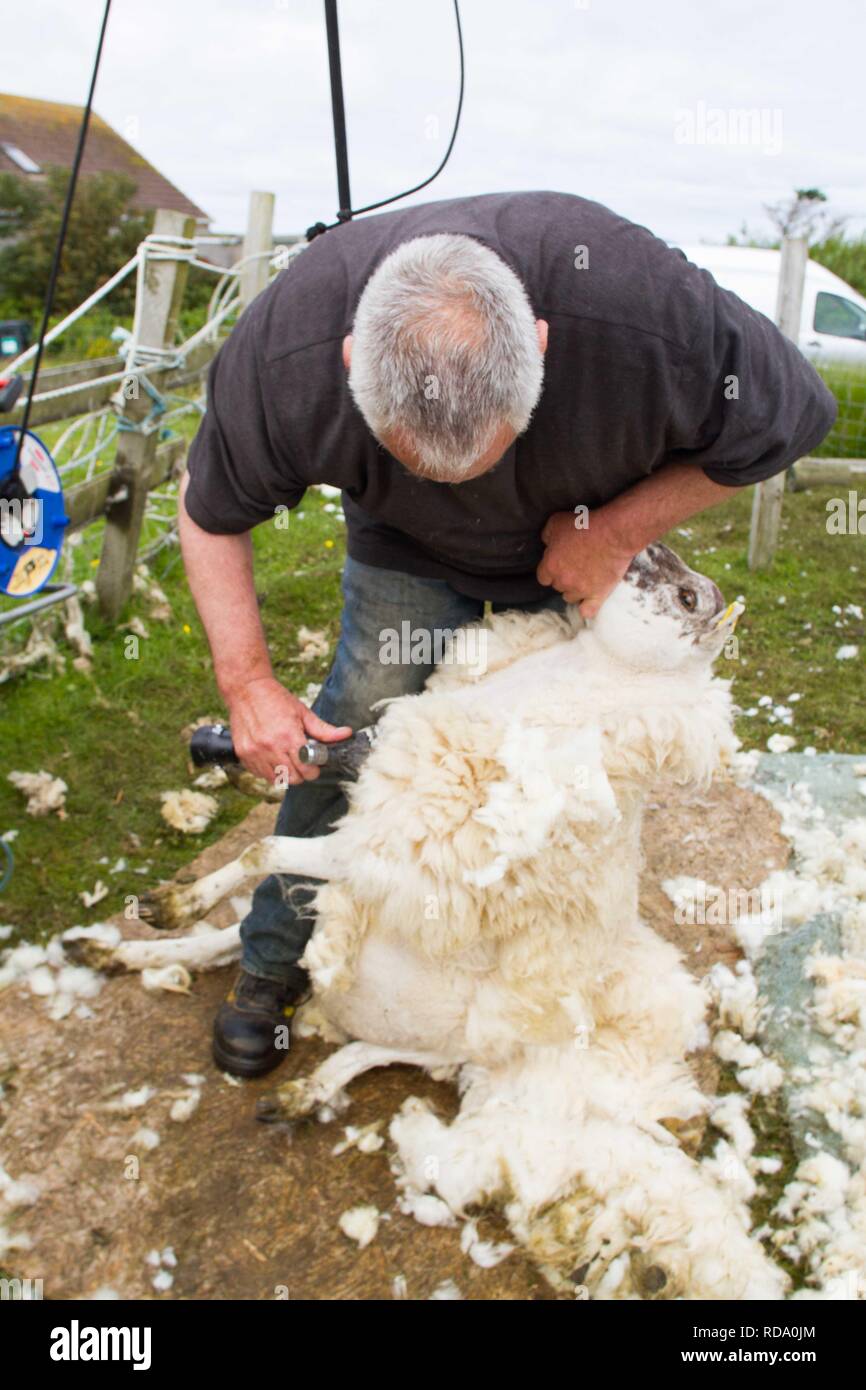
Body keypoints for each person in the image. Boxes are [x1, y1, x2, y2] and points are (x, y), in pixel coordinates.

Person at [179, 191, 836, 1077]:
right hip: (407, 549)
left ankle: (548, 957)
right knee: (368, 726)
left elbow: (793, 418)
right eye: (418, 458)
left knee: (581, 765)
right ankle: (276, 956)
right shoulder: (286, 354)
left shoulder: (648, 314)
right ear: (348, 365)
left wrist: (616, 534)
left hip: (588, 537)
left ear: (539, 343)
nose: (457, 481)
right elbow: (210, 510)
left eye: (484, 450)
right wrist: (249, 686)